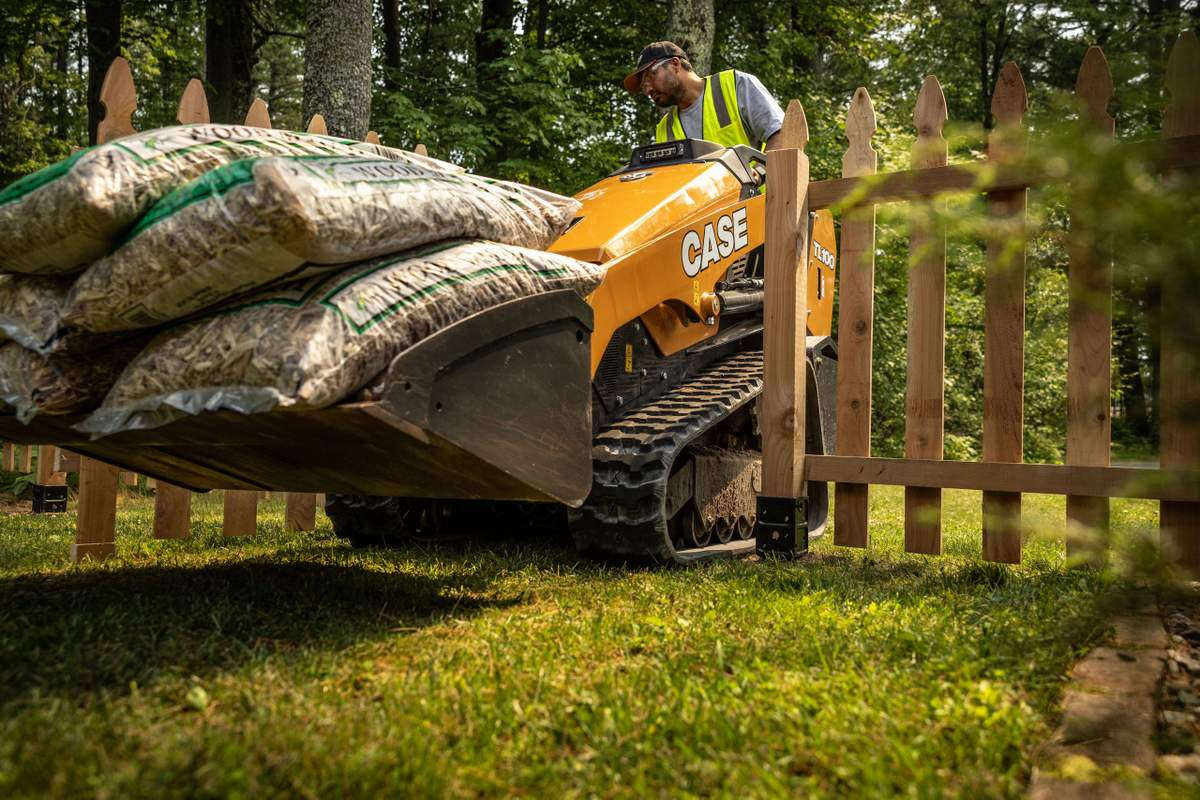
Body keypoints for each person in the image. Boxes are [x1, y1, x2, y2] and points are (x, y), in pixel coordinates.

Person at [623, 41, 785, 151]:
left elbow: (783, 134)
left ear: (674, 65)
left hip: (760, 201)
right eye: (643, 86)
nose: (648, 89)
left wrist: (759, 173)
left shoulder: (734, 85)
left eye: (650, 77)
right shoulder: (665, 130)